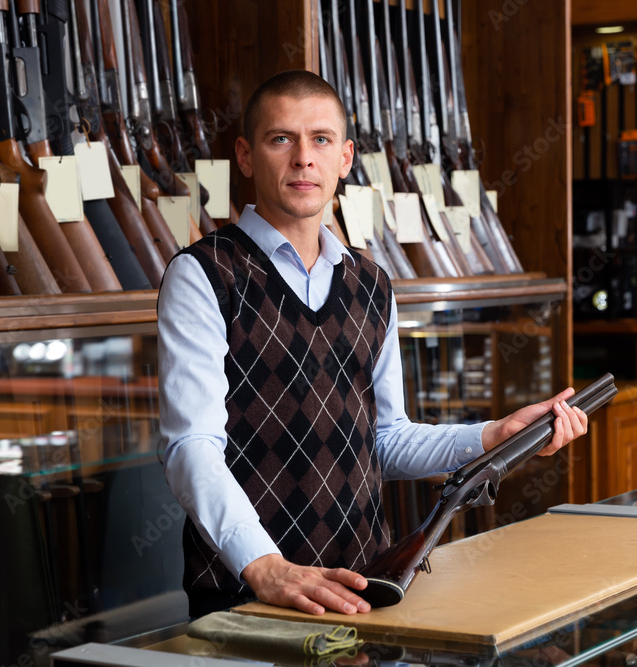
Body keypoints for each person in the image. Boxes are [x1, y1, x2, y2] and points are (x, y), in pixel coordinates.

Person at [157, 70, 587, 619]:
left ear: (345, 158)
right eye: (281, 139)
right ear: (245, 156)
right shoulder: (203, 274)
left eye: (321, 140)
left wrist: (493, 436)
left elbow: (386, 439)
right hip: (248, 598)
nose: (303, 159)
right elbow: (190, 446)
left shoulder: (373, 283)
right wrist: (265, 566)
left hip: (367, 589)